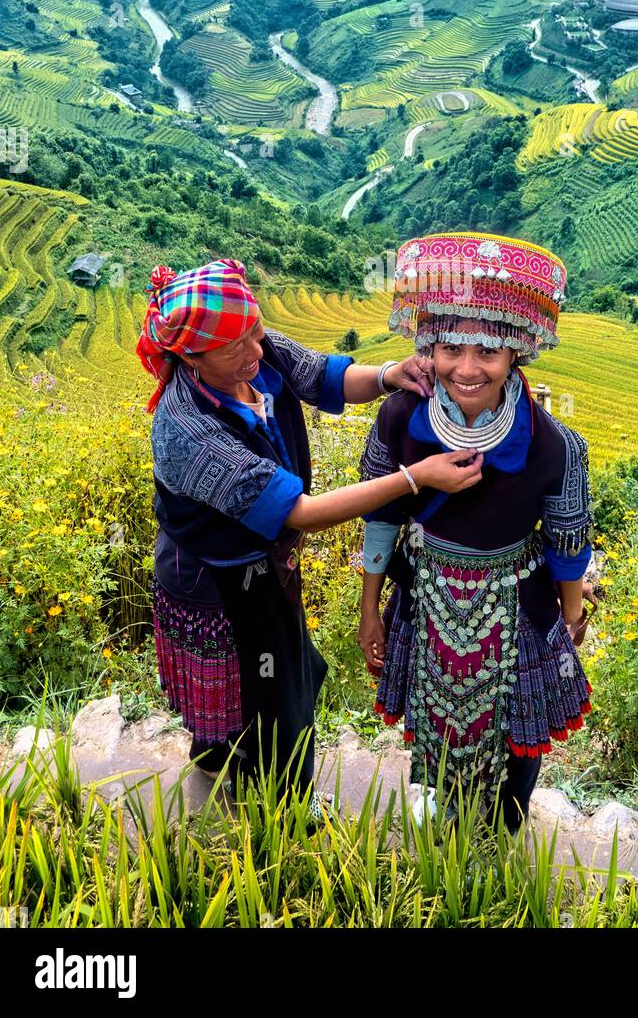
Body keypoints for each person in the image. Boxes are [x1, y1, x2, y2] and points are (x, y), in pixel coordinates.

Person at [136, 257, 484, 807]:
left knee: (274, 674)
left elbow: (324, 377)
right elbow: (298, 510)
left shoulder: (258, 353)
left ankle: (234, 763)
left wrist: (387, 374)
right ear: (190, 357)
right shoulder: (187, 429)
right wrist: (414, 478)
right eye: (236, 346)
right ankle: (285, 809)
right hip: (215, 575)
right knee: (268, 694)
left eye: (256, 330)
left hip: (261, 563)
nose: (256, 348)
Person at [355, 232, 596, 832]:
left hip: (518, 610)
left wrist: (569, 620)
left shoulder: (555, 444)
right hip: (426, 601)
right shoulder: (398, 418)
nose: (467, 368)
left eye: (487, 352)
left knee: (518, 735)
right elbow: (381, 519)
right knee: (432, 719)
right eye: (452, 348)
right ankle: (438, 832)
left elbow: (568, 546)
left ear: (516, 355)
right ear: (428, 349)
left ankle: (500, 837)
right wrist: (370, 607)